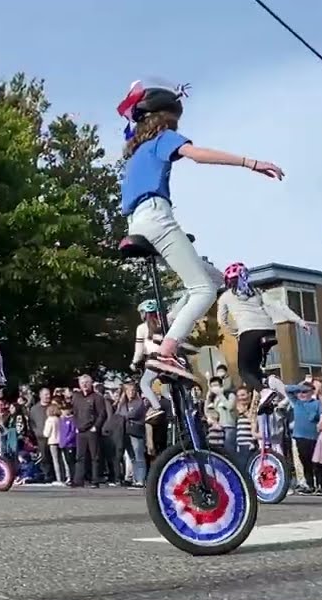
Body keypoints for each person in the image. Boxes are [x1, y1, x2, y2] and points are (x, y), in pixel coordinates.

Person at [117, 78, 283, 378]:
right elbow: (199, 155)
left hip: (138, 221)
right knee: (204, 290)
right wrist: (251, 162)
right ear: (165, 119)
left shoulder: (135, 153)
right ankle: (166, 351)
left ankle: (170, 325)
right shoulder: (163, 138)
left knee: (209, 275)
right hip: (157, 217)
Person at [215, 262, 307, 404]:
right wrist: (300, 321)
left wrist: (235, 332)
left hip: (249, 332)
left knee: (244, 371)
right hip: (268, 330)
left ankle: (264, 391)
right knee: (256, 371)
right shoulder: (258, 291)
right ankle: (276, 387)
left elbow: (222, 321)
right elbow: (279, 305)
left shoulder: (226, 296)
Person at [130, 300, 168, 422]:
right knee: (167, 383)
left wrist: (134, 363)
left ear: (145, 313)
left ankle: (156, 407)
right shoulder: (164, 323)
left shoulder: (141, 328)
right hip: (169, 357)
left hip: (155, 358)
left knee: (144, 383)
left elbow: (139, 350)